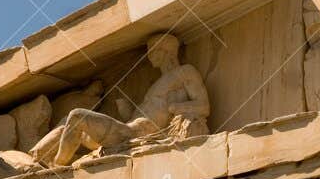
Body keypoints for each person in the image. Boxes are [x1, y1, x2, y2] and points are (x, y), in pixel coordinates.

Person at [30, 33, 209, 167]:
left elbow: (203, 106)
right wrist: (127, 108)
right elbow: (142, 116)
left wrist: (176, 107)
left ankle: (59, 167)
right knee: (65, 125)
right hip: (125, 130)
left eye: (153, 51)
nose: (149, 56)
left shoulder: (185, 72)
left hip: (129, 135)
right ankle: (34, 160)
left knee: (77, 116)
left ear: (166, 51)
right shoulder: (157, 83)